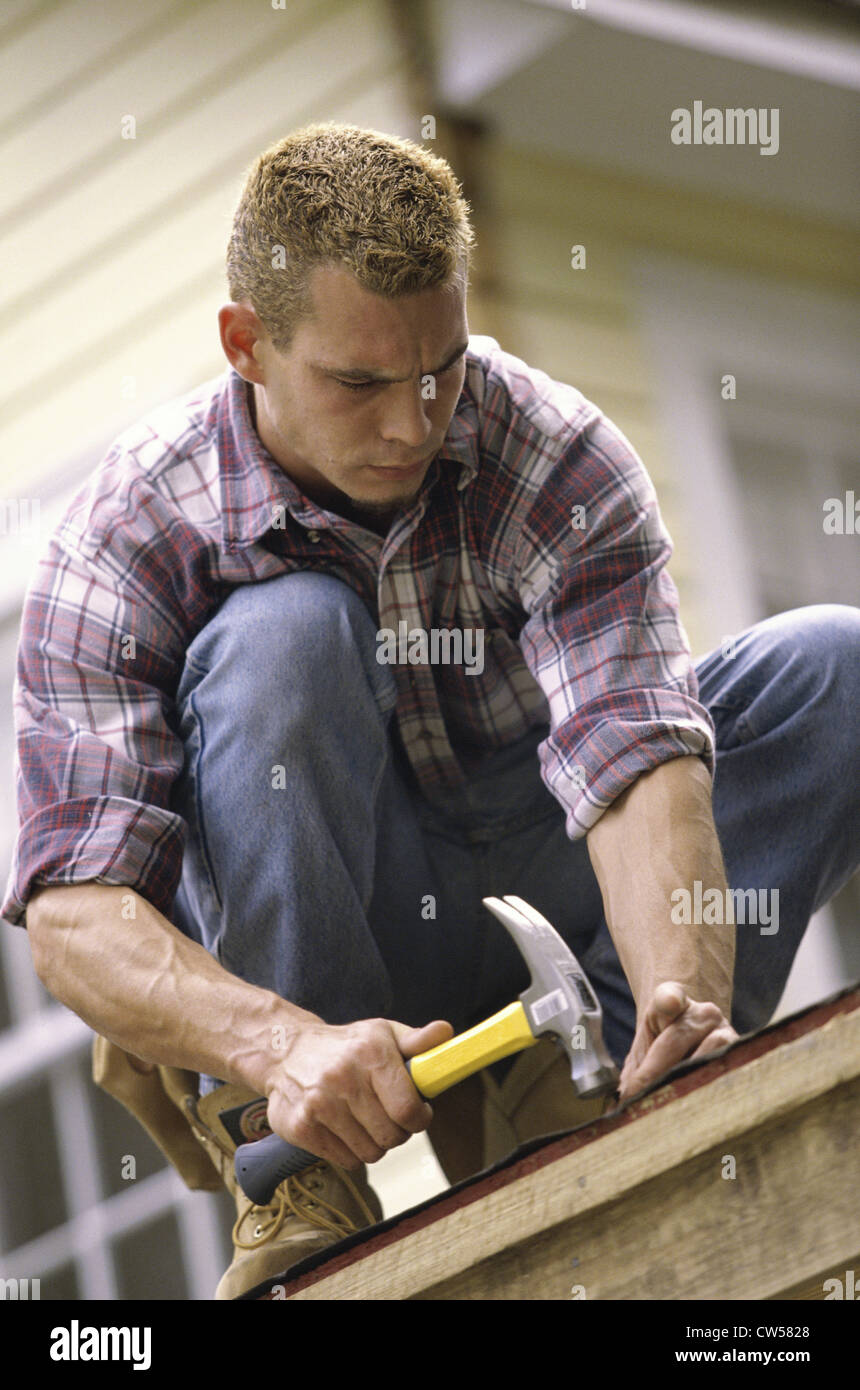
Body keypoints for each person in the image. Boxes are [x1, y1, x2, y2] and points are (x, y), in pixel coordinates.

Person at [5, 123, 858, 1301]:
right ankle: (294, 1164)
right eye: (357, 383)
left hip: (544, 860)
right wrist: (280, 1046)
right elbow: (73, 912)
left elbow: (634, 758)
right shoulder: (127, 534)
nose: (411, 424)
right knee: (280, 635)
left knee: (834, 665)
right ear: (245, 344)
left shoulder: (552, 457)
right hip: (328, 944)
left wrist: (683, 991)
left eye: (437, 369)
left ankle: (610, 1061)